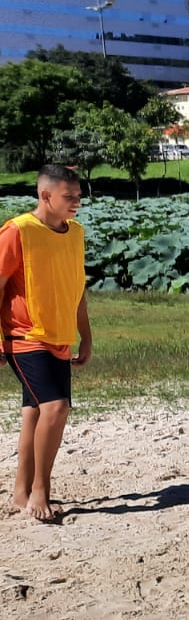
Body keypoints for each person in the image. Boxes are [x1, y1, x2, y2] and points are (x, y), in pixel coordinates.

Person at [1, 164, 91, 521]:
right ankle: (42, 490)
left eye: (79, 197)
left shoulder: (75, 232)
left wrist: (86, 334)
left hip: (60, 336)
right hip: (24, 335)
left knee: (35, 412)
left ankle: (21, 493)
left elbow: (77, 289)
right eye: (69, 197)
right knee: (56, 408)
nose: (76, 204)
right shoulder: (17, 231)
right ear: (45, 195)